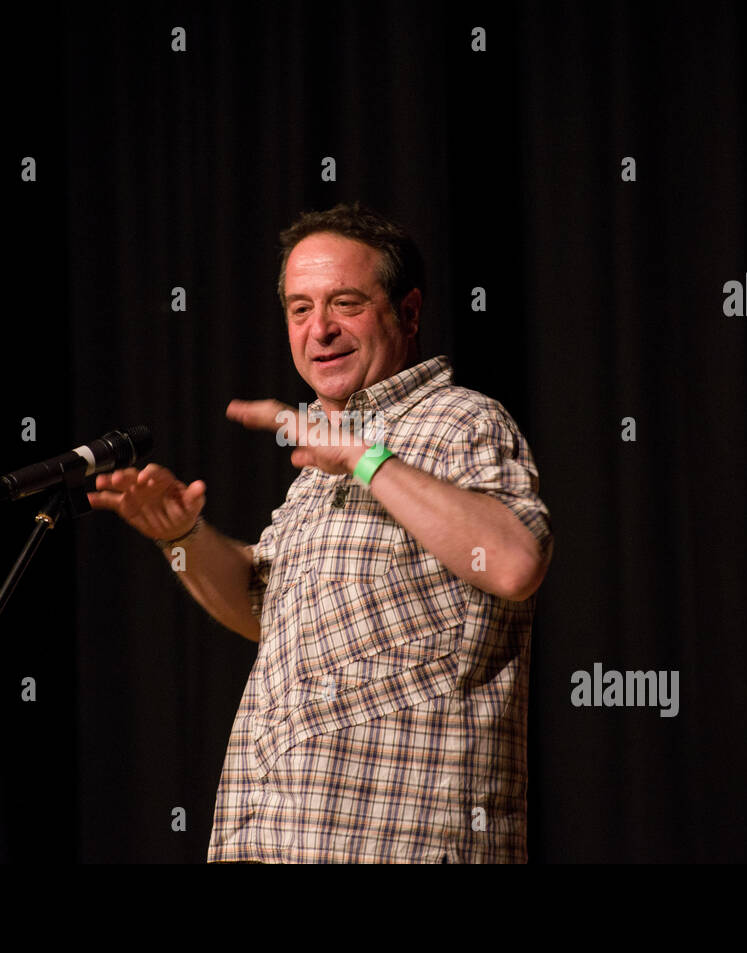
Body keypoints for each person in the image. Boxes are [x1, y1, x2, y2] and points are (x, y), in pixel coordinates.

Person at [88, 202, 553, 862]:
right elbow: (259, 607)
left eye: (346, 303)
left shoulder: (459, 422)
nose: (320, 330)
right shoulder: (323, 463)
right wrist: (183, 538)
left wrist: (365, 460)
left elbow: (513, 563)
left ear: (409, 312)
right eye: (300, 309)